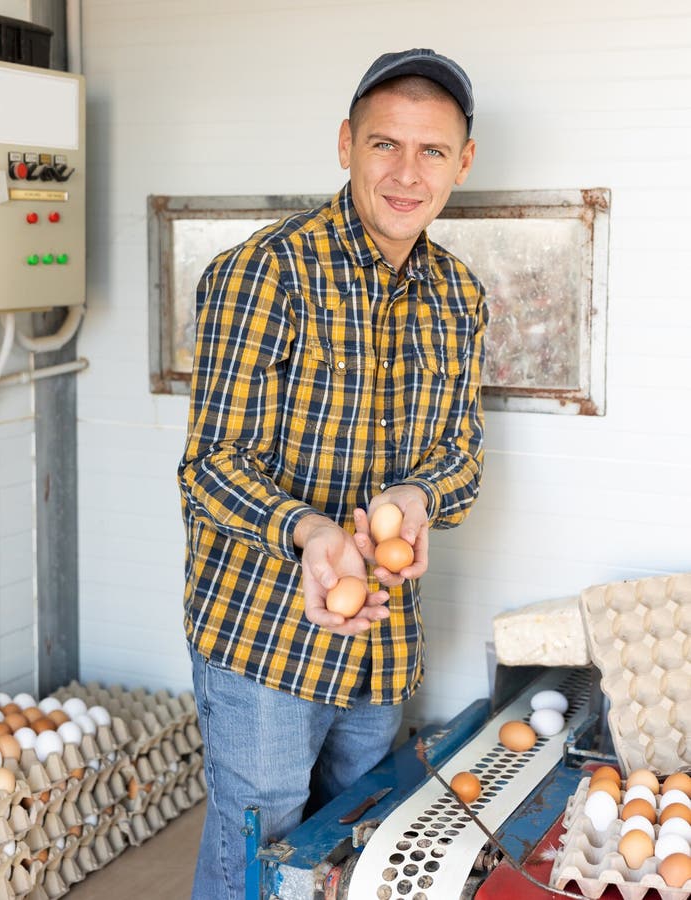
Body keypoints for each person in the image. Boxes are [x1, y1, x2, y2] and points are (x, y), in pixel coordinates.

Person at [178, 47, 488, 899]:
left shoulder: (459, 296)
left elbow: (462, 453)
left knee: (354, 838)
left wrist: (415, 496)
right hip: (262, 637)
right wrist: (313, 531)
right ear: (346, 142)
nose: (405, 172)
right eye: (385, 144)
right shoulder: (263, 274)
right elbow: (209, 469)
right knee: (261, 854)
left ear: (463, 163)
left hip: (382, 640)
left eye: (432, 151)